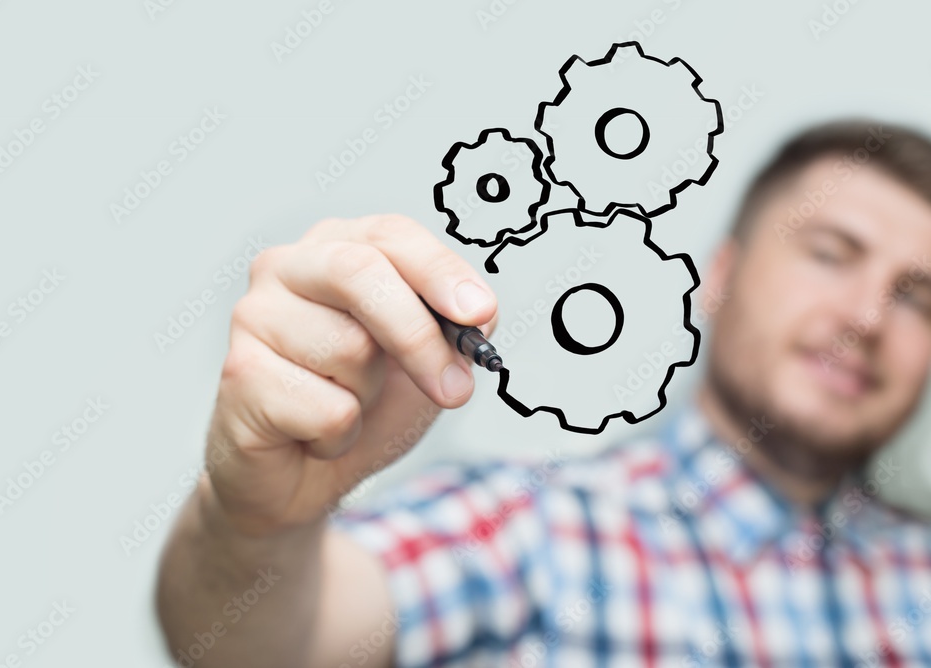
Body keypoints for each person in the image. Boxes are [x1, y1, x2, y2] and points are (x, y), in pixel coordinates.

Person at [155, 120, 931, 667]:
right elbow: (254, 646)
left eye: (919, 297)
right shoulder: (523, 532)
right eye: (831, 254)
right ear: (719, 279)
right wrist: (255, 523)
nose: (866, 318)